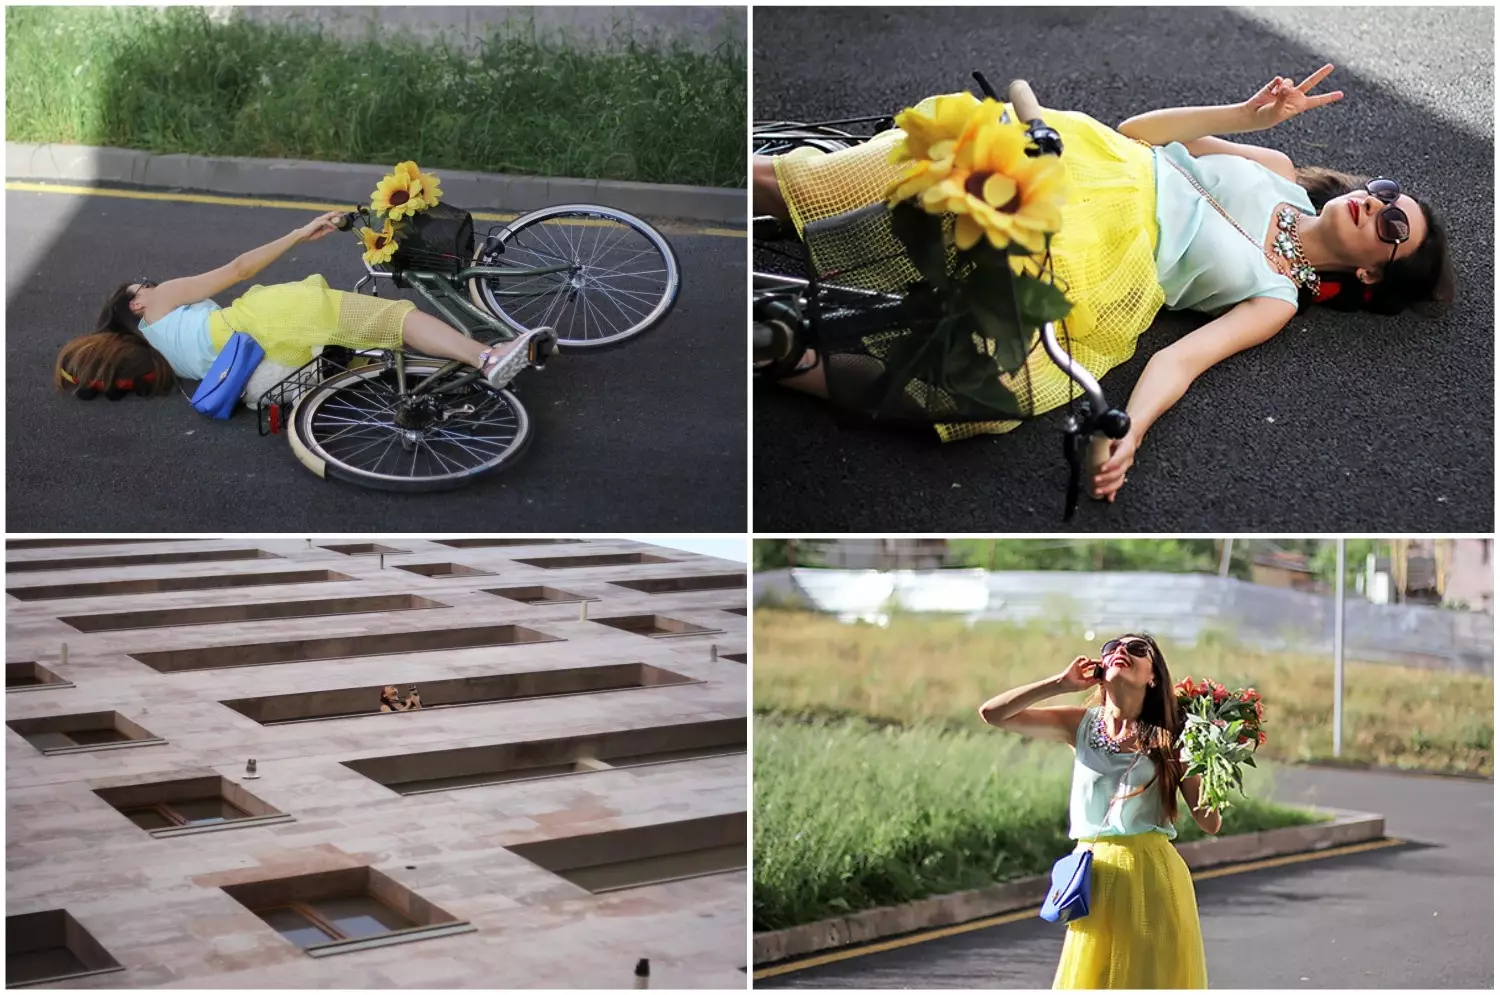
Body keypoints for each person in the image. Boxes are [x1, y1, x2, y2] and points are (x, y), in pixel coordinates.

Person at [754, 66, 1453, 501]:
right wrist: (1245, 117)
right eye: (1388, 194)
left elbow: (1179, 359)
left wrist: (1133, 432)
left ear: (1370, 272)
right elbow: (1141, 132)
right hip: (1101, 165)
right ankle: (751, 185)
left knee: (995, 389)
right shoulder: (1274, 162)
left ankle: (780, 352)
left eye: (1394, 227)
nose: (1378, 205)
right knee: (876, 179)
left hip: (1113, 268)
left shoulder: (1275, 301)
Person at [53, 211, 556, 404]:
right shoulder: (157, 306)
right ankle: (488, 358)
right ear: (135, 305)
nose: (150, 283)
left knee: (377, 339)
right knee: (395, 318)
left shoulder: (168, 358)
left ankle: (451, 368)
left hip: (261, 364)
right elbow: (236, 270)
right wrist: (298, 233)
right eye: (140, 285)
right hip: (266, 318)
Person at [979, 634, 1218, 989]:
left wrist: (1202, 761)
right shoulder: (1080, 724)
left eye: (1137, 650)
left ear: (1153, 675)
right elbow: (993, 714)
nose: (1121, 651)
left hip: (1151, 873)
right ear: (1101, 667)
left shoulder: (1177, 734)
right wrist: (1060, 684)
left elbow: (1210, 822)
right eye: (1112, 648)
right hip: (1094, 874)